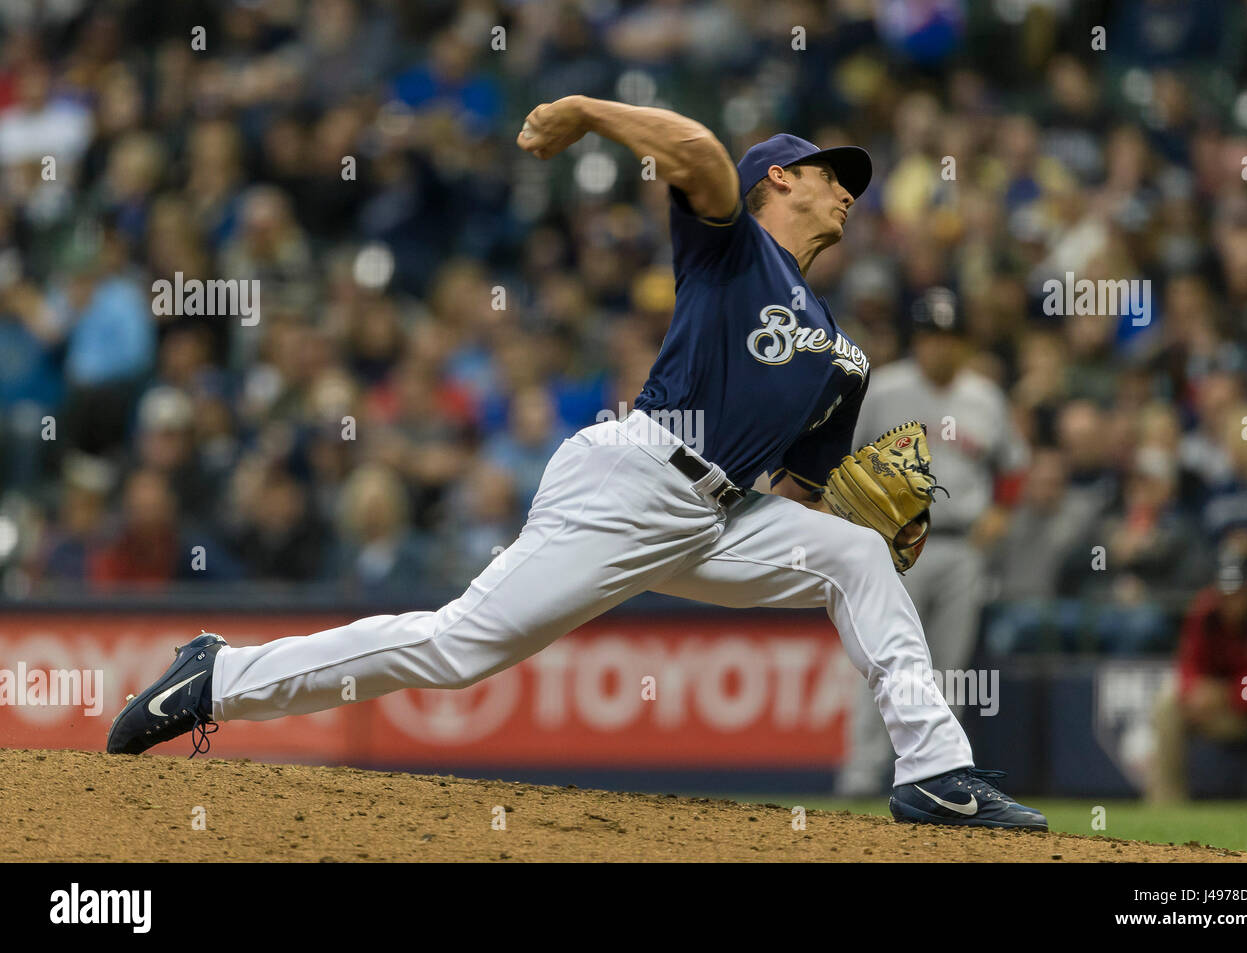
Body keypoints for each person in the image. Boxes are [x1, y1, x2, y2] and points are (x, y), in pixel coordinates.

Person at [106, 95, 1046, 830]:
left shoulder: (843, 355)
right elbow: (702, 156)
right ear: (778, 182)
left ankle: (936, 775)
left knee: (858, 558)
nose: (846, 188)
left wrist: (866, 528)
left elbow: (801, 493)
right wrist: (591, 113)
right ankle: (219, 675)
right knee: (460, 646)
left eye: (850, 180)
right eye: (825, 172)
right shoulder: (735, 250)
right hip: (634, 481)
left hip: (716, 517)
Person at [837, 288, 1028, 796]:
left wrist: (1001, 511)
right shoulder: (885, 390)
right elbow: (841, 457)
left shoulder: (985, 396)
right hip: (894, 547)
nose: (938, 348)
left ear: (964, 344)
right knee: (880, 658)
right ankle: (861, 773)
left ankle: (939, 774)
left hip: (963, 546)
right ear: (915, 340)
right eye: (929, 337)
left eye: (949, 337)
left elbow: (1013, 465)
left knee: (949, 668)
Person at [1148, 548, 1247, 806]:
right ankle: (1165, 806)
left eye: (1239, 593)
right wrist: (1193, 691)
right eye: (1226, 594)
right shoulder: (1205, 609)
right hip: (1223, 710)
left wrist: (1233, 692)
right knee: (1167, 702)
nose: (1232, 601)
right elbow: (1188, 663)